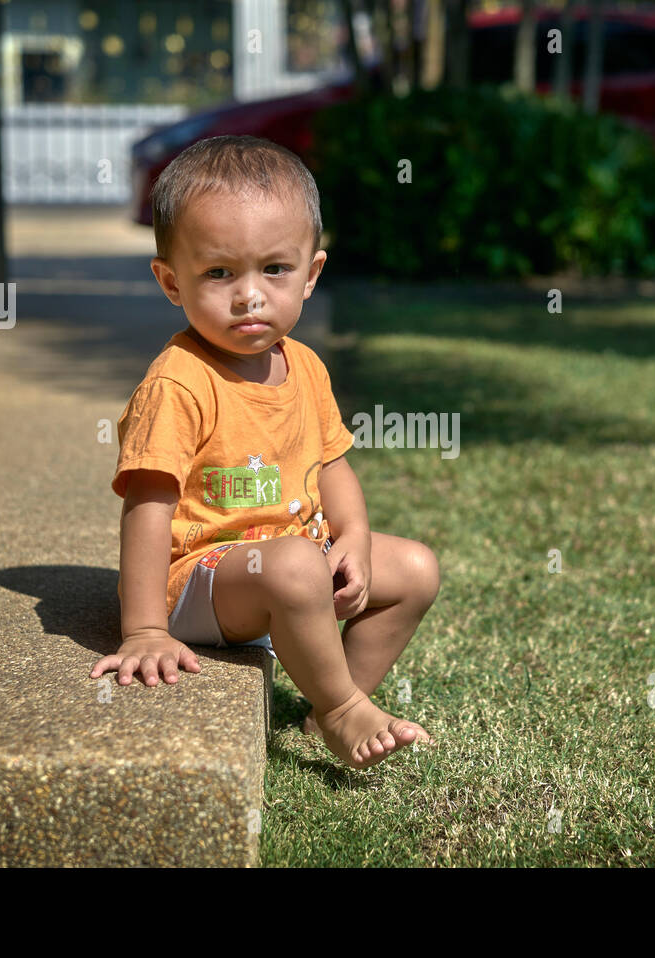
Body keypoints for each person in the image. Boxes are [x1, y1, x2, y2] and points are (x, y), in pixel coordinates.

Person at [90, 135, 439, 769]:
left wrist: (354, 536)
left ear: (311, 275)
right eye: (219, 272)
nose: (249, 295)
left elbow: (332, 466)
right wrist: (144, 628)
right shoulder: (179, 381)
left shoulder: (303, 366)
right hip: (203, 582)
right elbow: (147, 508)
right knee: (299, 565)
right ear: (171, 281)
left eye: (274, 269)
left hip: (289, 563)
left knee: (414, 568)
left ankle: (335, 700)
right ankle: (340, 710)